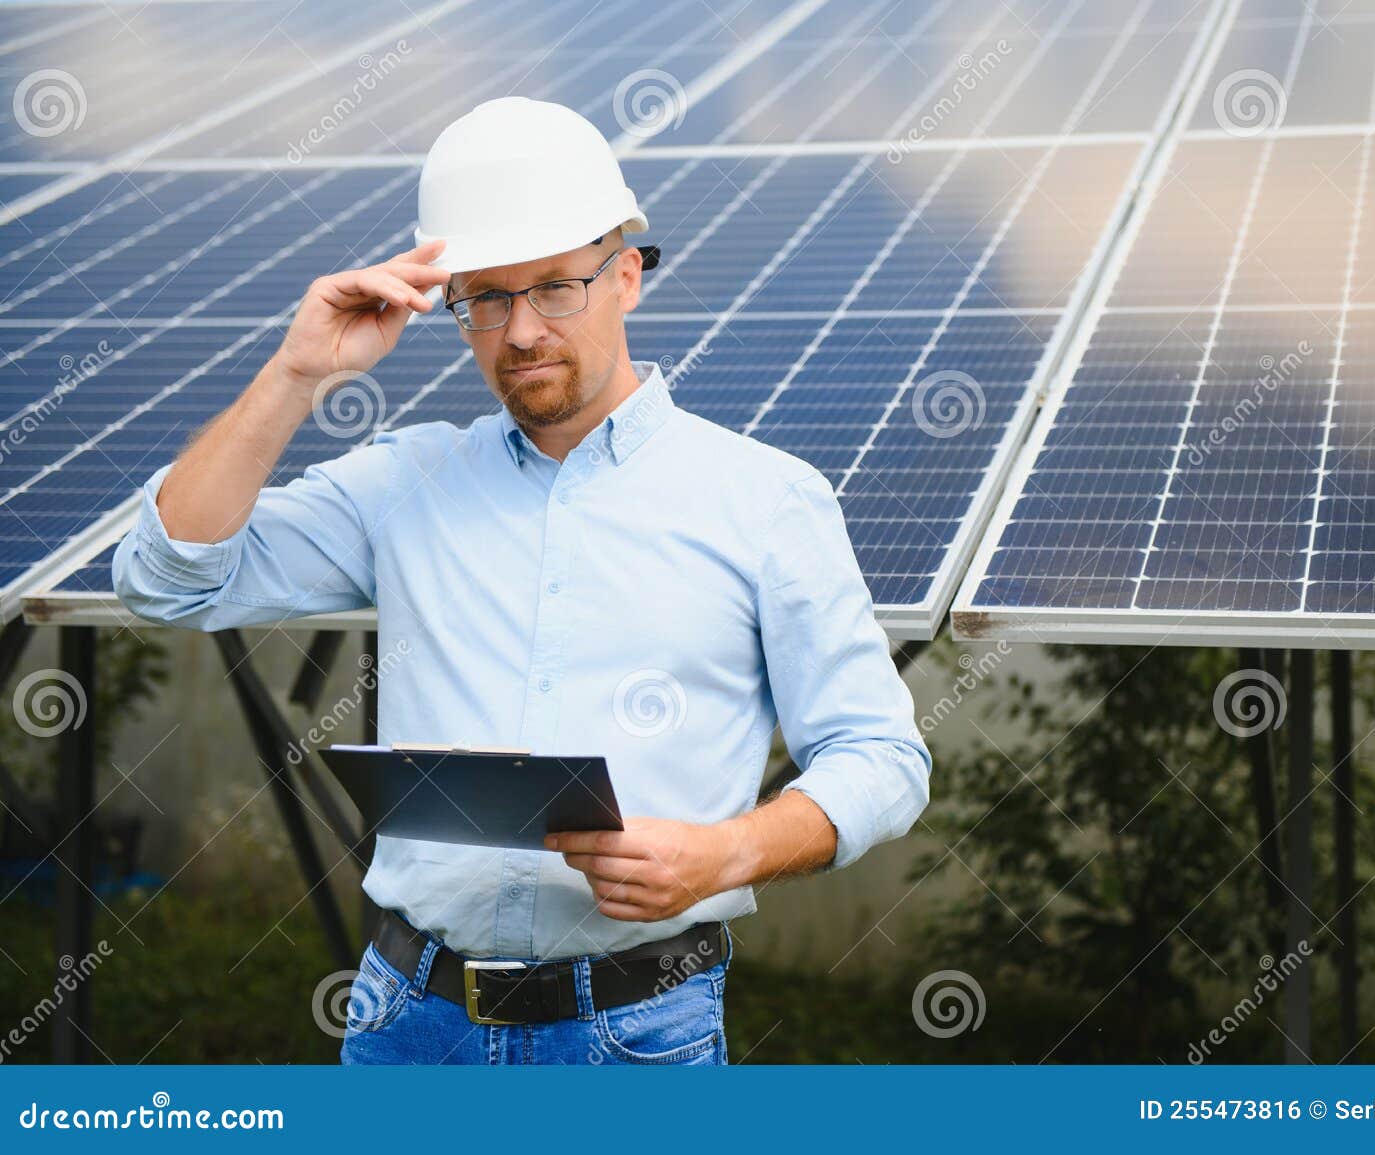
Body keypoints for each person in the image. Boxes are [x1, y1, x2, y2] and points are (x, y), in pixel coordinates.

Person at [111, 97, 932, 1066]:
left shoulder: (765, 500)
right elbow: (168, 578)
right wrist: (296, 373)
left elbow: (881, 757)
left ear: (625, 276)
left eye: (554, 287)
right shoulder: (403, 481)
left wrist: (725, 853)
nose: (520, 330)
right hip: (405, 1026)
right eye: (486, 298)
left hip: (634, 1035)